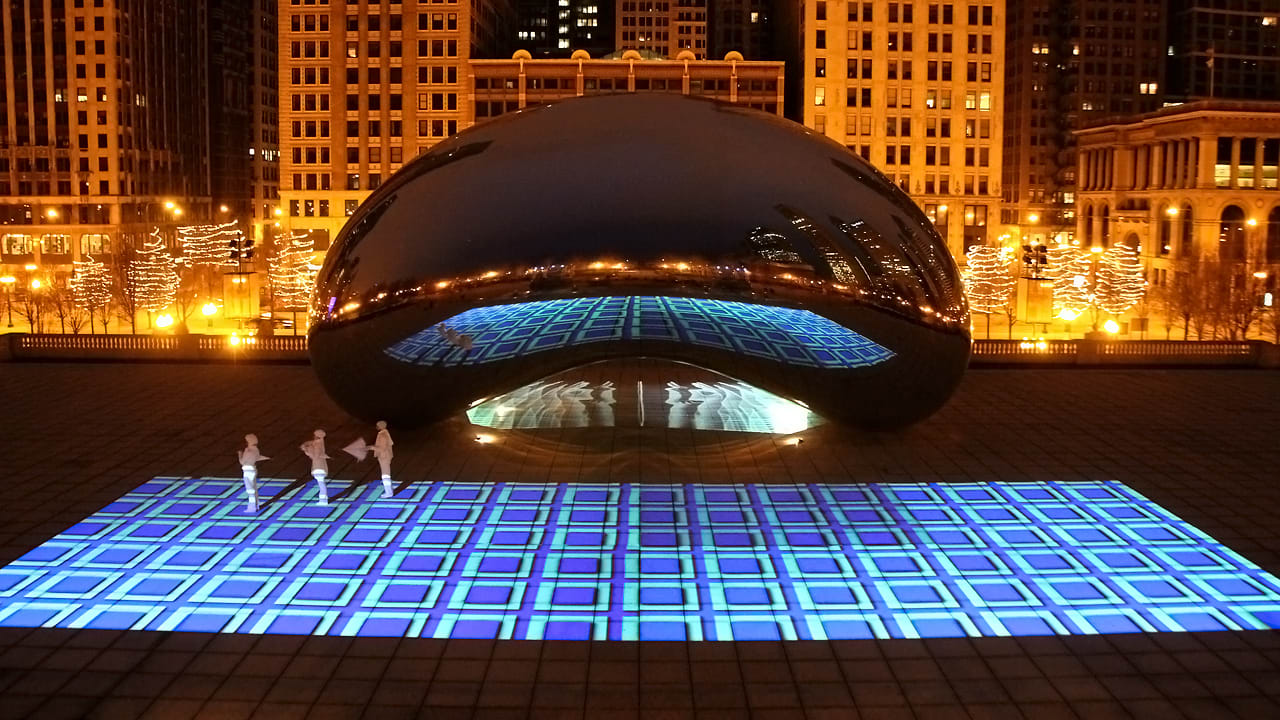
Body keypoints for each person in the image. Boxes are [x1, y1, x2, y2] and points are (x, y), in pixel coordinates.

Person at [237, 434, 269, 513]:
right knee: (254, 488)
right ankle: (256, 505)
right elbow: (257, 457)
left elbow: (242, 462)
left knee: (250, 489)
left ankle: (252, 507)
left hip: (247, 470)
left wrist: (240, 454)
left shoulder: (248, 451)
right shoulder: (255, 450)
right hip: (253, 469)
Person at [300, 429, 330, 505]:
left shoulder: (317, 445)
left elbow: (315, 455)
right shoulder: (320, 443)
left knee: (321, 483)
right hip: (321, 465)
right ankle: (323, 498)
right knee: (321, 483)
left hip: (318, 466)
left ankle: (323, 500)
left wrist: (307, 450)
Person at [372, 421, 395, 497]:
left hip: (384, 456)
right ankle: (390, 489)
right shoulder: (385, 433)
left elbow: (382, 448)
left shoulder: (382, 435)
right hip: (386, 456)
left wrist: (371, 447)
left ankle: (388, 492)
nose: (376, 427)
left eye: (377, 425)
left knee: (385, 475)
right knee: (386, 473)